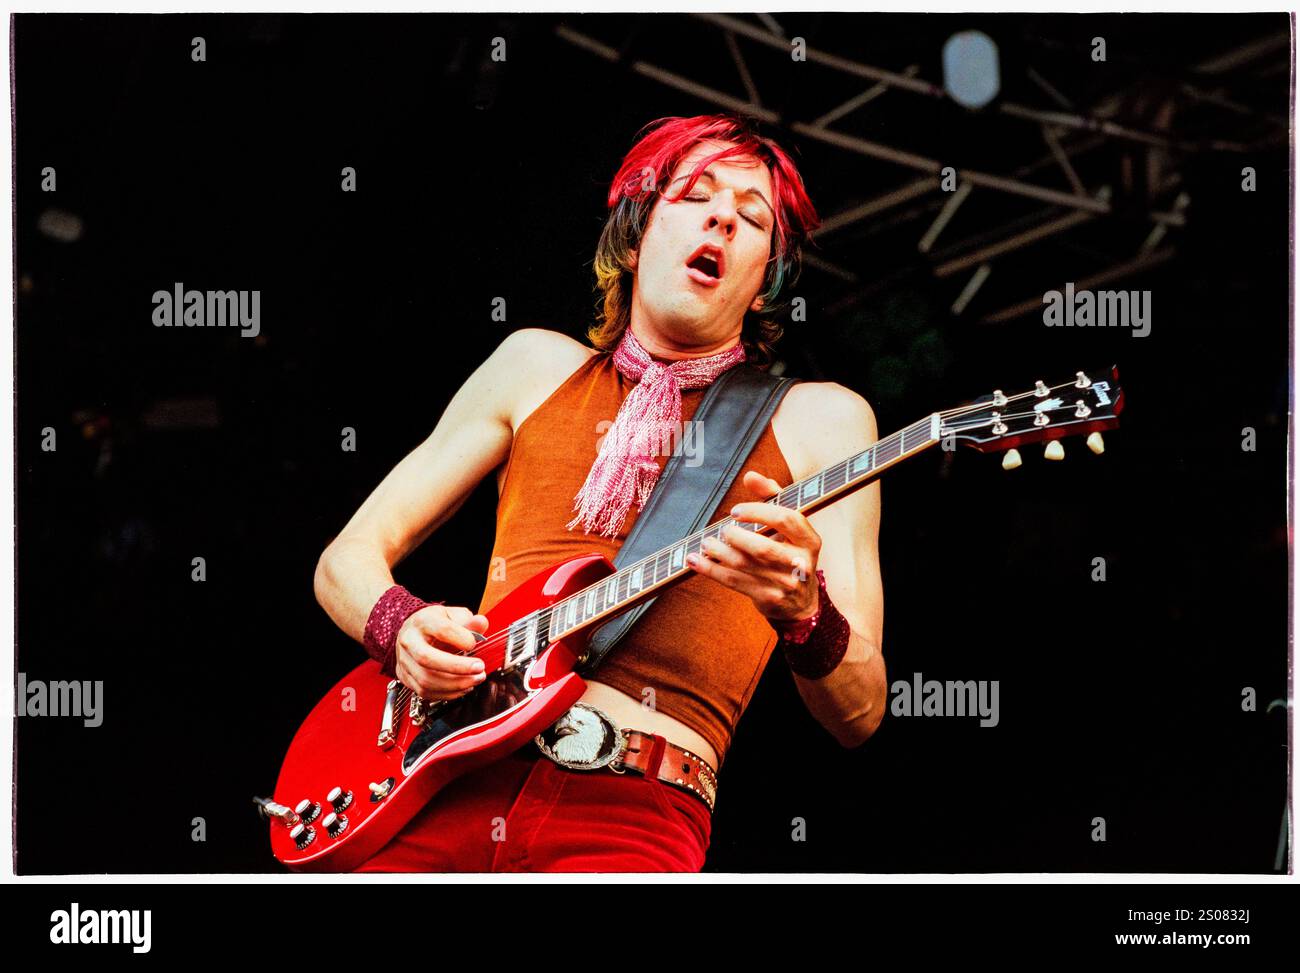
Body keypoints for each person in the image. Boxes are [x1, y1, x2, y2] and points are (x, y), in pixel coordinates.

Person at [312, 112, 887, 872]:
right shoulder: (533, 365)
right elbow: (345, 559)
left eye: (752, 219)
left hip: (635, 816)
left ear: (762, 284)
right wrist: (401, 626)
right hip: (447, 780)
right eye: (695, 196)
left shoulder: (824, 420)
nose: (722, 217)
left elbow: (862, 709)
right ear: (636, 236)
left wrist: (805, 612)